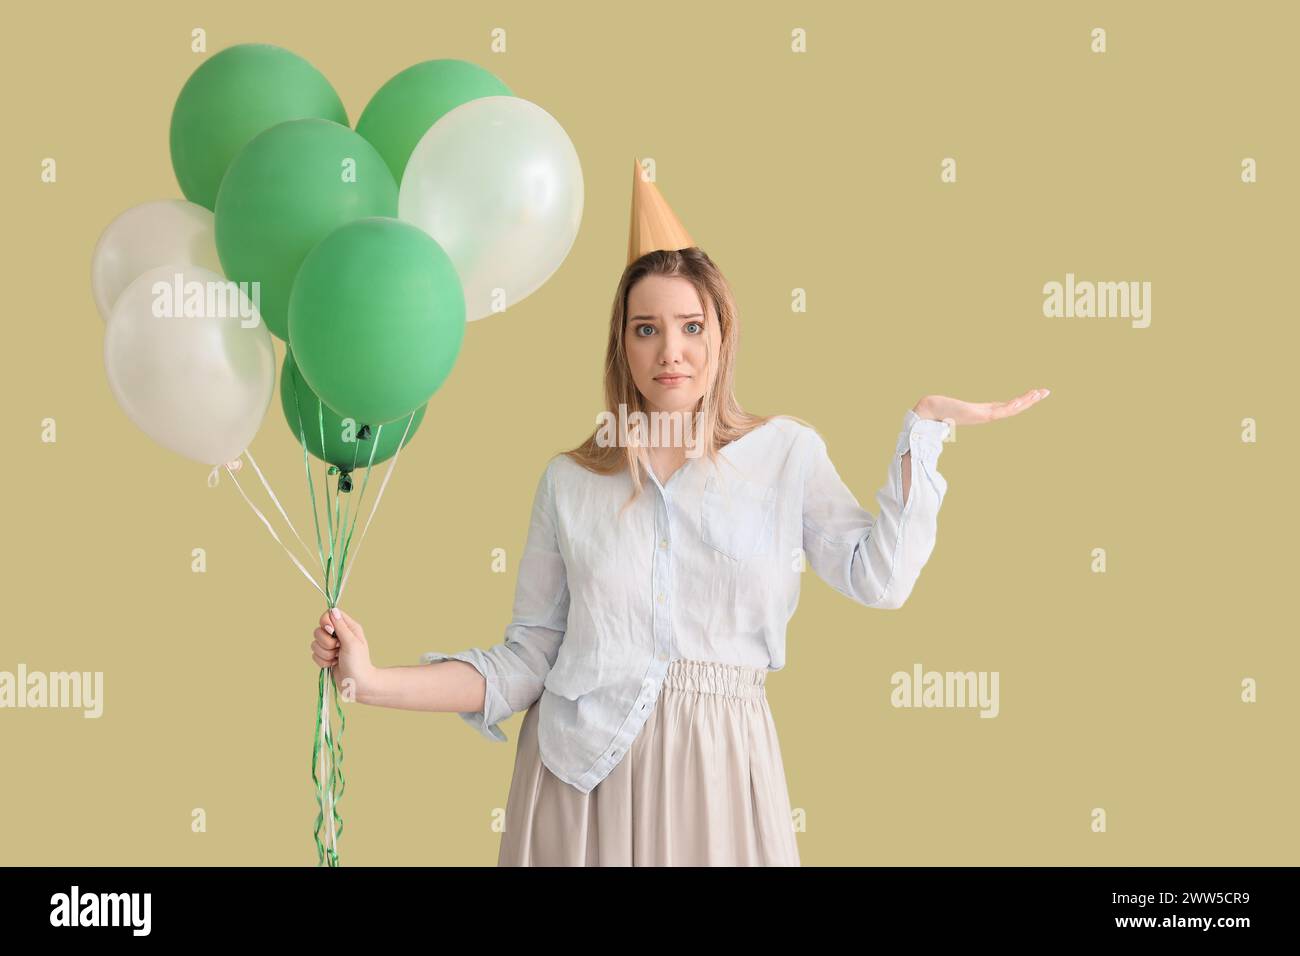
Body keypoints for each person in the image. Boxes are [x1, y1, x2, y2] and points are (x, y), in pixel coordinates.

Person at [308, 159, 1050, 866]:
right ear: (622, 346)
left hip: (721, 779)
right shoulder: (570, 480)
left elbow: (878, 578)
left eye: (693, 326)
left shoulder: (785, 455)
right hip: (580, 783)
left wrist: (923, 430)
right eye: (647, 328)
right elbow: (528, 660)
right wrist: (370, 680)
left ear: (723, 337)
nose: (672, 350)